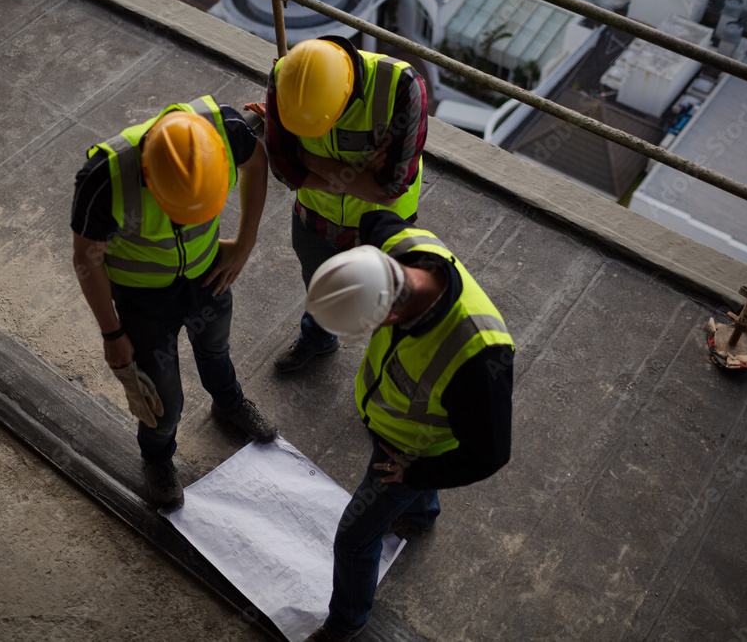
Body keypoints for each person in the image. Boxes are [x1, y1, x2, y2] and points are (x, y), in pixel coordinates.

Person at [302, 211, 515, 641]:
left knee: (354, 540)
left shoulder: (479, 356)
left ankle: (344, 625)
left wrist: (415, 472)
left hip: (410, 452)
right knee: (405, 501)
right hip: (389, 418)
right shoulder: (397, 244)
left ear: (391, 316)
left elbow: (491, 454)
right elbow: (373, 216)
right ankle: (420, 515)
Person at [71, 96, 277, 512]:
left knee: (216, 349)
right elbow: (86, 260)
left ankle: (229, 402)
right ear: (148, 174)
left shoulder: (225, 129)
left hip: (208, 274)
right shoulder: (107, 176)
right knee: (162, 404)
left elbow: (256, 163)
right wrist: (112, 333)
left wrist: (245, 242)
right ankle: (157, 455)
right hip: (144, 301)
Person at [265, 36, 428, 372]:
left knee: (388, 304)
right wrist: (360, 173)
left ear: (346, 99)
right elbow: (284, 168)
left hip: (385, 224)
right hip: (315, 218)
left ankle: (390, 370)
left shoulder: (402, 87)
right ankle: (318, 340)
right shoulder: (286, 77)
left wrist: (308, 157)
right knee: (321, 290)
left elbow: (391, 189)